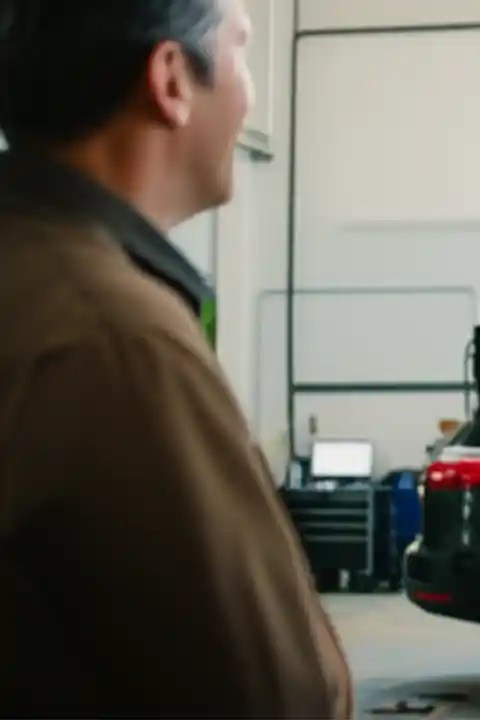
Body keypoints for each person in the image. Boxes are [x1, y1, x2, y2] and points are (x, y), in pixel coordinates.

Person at [0, 0, 352, 716]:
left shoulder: (30, 273)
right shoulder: (115, 338)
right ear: (169, 80)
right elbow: (275, 695)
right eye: (241, 50)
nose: (249, 93)